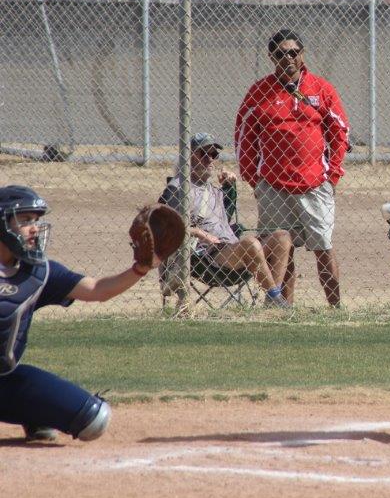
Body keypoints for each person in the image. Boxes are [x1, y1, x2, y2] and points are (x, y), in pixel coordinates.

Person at [0, 185, 155, 443]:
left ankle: (34, 411)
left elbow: (97, 289)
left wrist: (140, 268)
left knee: (95, 419)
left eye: (36, 220)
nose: (34, 228)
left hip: (5, 379)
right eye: (25, 220)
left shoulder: (38, 272)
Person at [235, 29, 351, 307]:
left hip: (315, 186)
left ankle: (336, 309)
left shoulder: (321, 88)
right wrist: (254, 178)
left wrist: (332, 175)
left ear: (302, 54)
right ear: (271, 57)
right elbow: (243, 135)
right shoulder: (259, 92)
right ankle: (286, 310)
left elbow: (340, 131)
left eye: (292, 52)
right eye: (280, 53)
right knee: (280, 250)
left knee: (323, 249)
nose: (287, 58)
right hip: (274, 187)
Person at [160, 132, 293, 308]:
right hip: (206, 258)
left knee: (282, 237)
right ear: (188, 156)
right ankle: (277, 299)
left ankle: (271, 301)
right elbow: (164, 227)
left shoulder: (213, 190)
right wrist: (200, 234)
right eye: (203, 154)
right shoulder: (178, 189)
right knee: (251, 244)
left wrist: (229, 187)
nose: (209, 159)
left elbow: (224, 219)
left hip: (232, 249)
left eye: (213, 154)